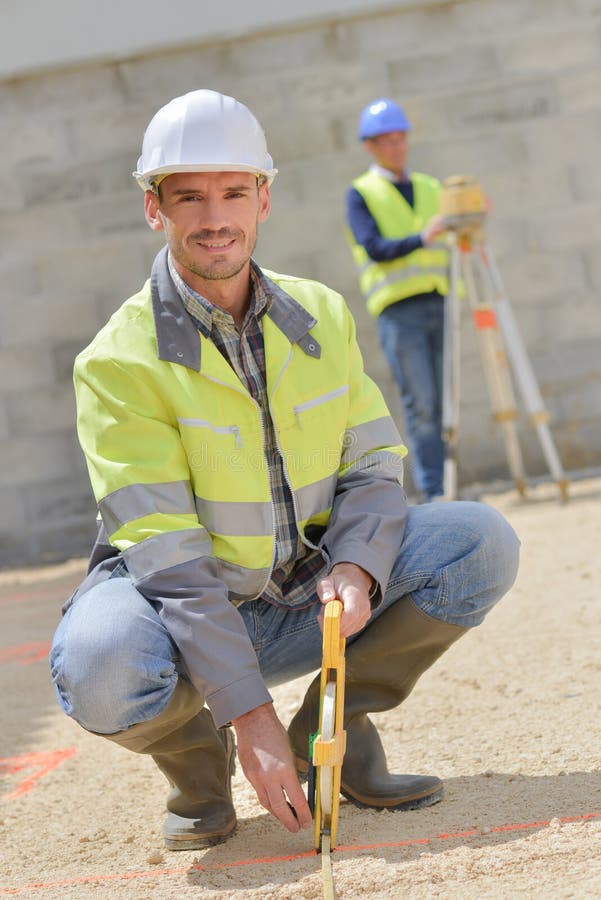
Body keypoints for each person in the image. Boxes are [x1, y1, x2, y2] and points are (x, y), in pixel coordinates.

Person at [49, 89, 519, 851]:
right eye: (189, 197)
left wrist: (359, 568)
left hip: (305, 591)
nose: (214, 218)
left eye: (234, 192)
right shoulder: (115, 362)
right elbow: (167, 556)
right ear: (154, 208)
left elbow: (372, 463)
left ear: (263, 198)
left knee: (478, 540)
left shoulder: (319, 315)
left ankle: (335, 727)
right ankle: (201, 768)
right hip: (189, 616)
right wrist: (247, 711)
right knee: (100, 666)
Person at [346, 97, 450, 501]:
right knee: (421, 404)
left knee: (445, 403)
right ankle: (434, 491)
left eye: (400, 138)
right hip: (398, 309)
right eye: (386, 141)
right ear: (369, 146)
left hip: (440, 302)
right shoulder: (361, 193)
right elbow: (373, 246)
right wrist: (423, 237)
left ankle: (448, 483)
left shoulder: (429, 186)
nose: (396, 146)